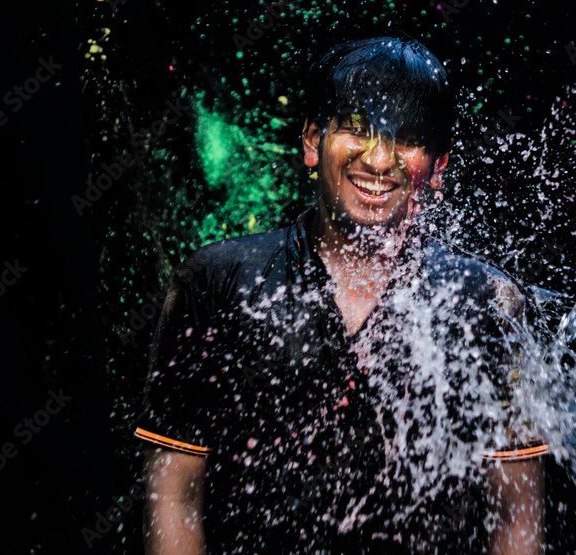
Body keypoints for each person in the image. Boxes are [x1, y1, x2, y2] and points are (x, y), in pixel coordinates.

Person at [134, 35, 548, 553]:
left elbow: (516, 519)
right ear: (312, 141)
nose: (379, 159)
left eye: (408, 139)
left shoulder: (485, 302)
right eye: (357, 128)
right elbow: (175, 496)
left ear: (437, 167)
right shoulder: (218, 282)